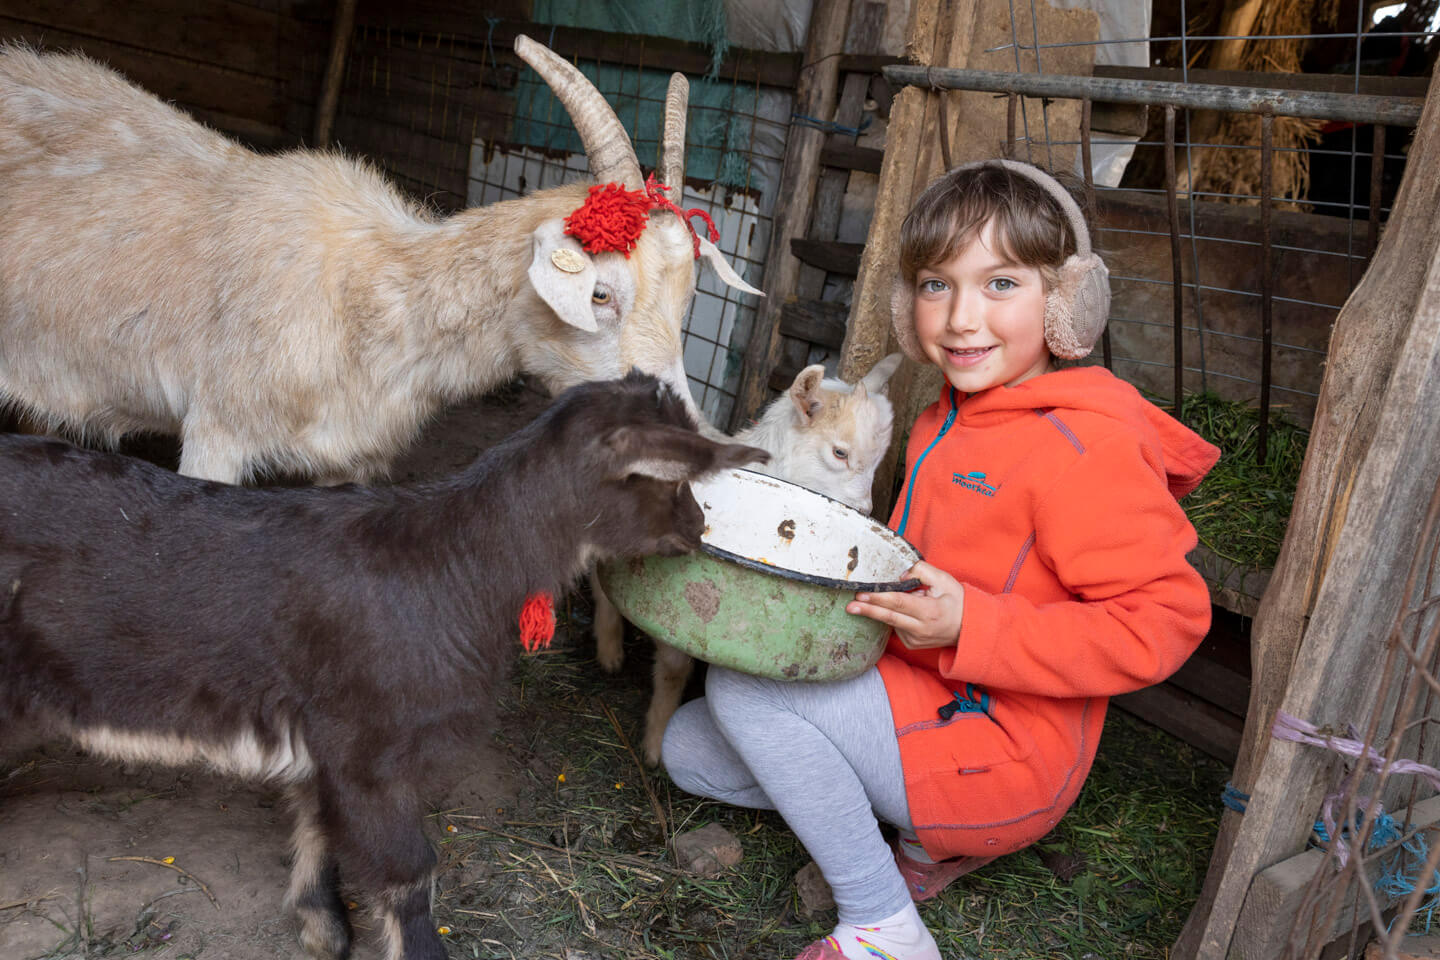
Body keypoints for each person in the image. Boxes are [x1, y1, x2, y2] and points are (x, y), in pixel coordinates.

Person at [660, 158, 1220, 960]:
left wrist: (974, 625)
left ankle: (884, 925)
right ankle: (929, 844)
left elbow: (1163, 623)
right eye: (935, 285)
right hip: (916, 695)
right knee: (689, 749)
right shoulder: (942, 421)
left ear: (1065, 303)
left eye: (1001, 285)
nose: (961, 317)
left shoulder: (1084, 445)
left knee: (745, 691)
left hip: (1003, 747)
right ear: (906, 301)